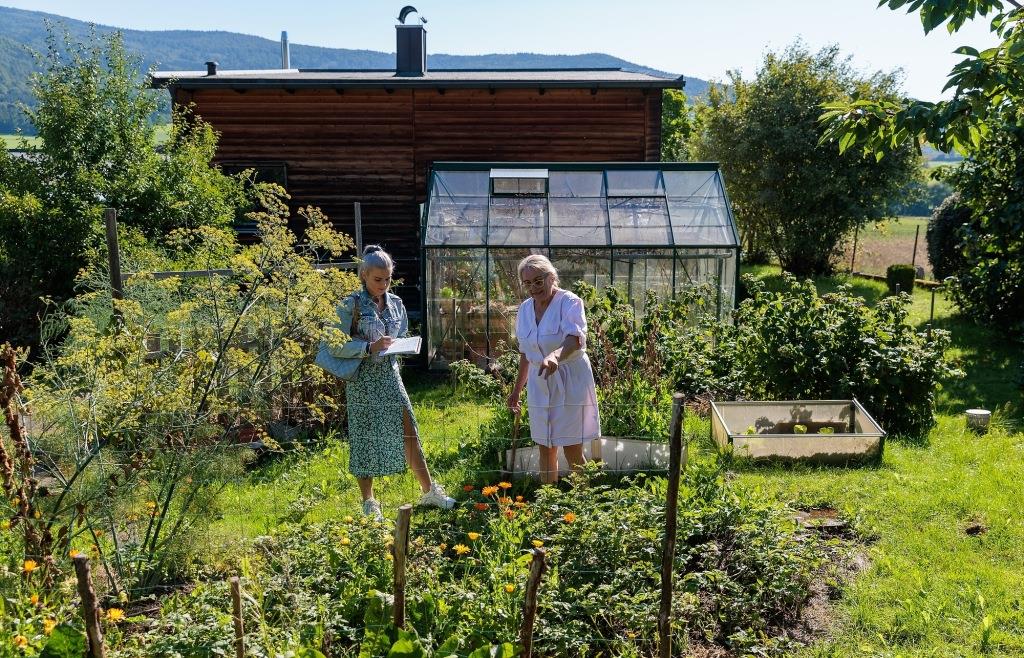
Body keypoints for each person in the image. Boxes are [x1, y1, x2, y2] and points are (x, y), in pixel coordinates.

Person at [328, 245, 455, 519]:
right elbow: (333, 344)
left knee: (409, 429)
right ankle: (369, 502)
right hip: (362, 380)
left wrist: (402, 344)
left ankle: (430, 490)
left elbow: (402, 332)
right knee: (365, 437)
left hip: (390, 375)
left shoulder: (396, 303)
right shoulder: (351, 305)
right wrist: (368, 347)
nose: (383, 285)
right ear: (364, 275)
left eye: (387, 279)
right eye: (377, 279)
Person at [507, 255, 601, 484]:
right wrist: (517, 390)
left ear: (552, 278)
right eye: (527, 283)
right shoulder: (525, 310)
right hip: (540, 384)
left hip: (569, 380)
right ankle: (548, 505)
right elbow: (525, 353)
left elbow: (575, 338)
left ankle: (583, 501)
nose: (533, 288)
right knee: (545, 445)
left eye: (538, 281)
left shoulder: (569, 302)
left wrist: (555, 355)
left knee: (571, 447)